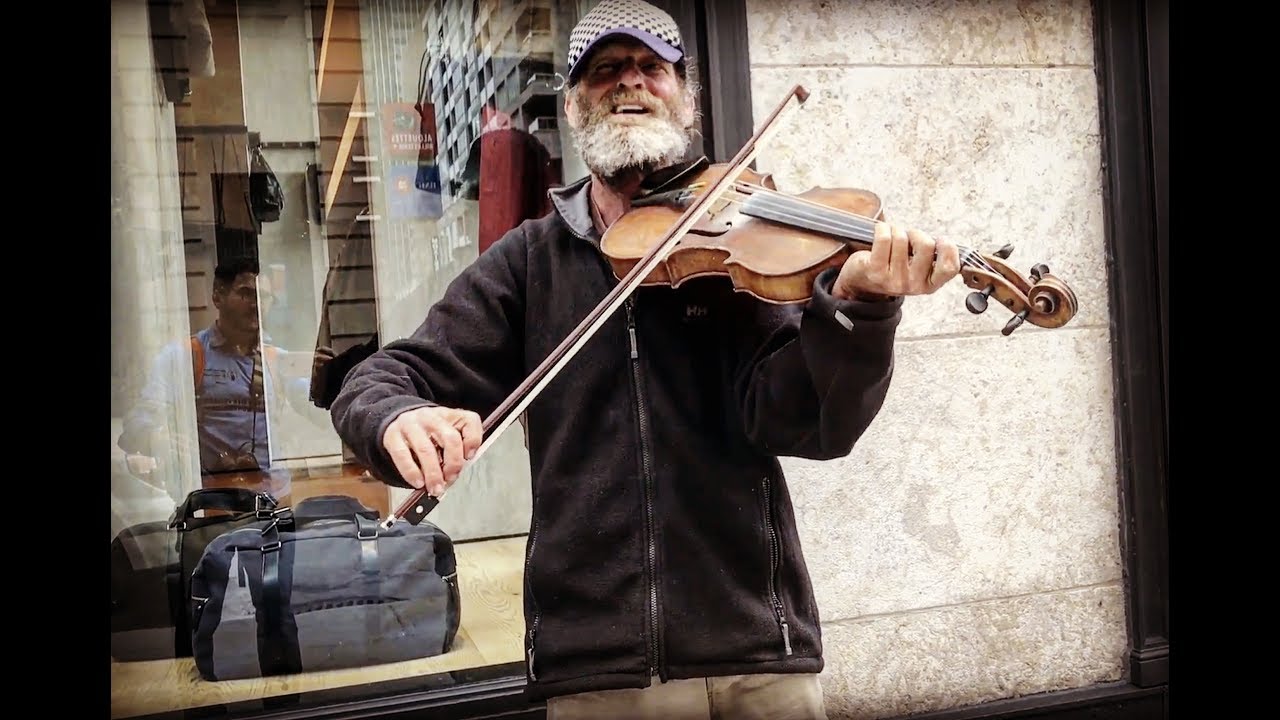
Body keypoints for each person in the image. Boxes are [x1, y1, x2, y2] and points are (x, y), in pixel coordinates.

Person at [328, 1, 962, 718]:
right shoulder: (529, 263)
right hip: (601, 665)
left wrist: (856, 310)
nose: (629, 83)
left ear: (684, 97)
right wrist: (396, 417)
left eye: (651, 68)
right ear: (573, 106)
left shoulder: (737, 242)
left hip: (757, 649)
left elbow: (811, 426)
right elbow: (380, 379)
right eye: (605, 71)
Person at [118, 255, 312, 499]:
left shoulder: (277, 360)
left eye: (264, 297)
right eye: (245, 294)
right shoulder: (183, 357)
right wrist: (162, 438)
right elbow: (136, 426)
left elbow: (316, 406)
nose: (257, 305)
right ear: (218, 296)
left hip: (274, 503)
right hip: (213, 505)